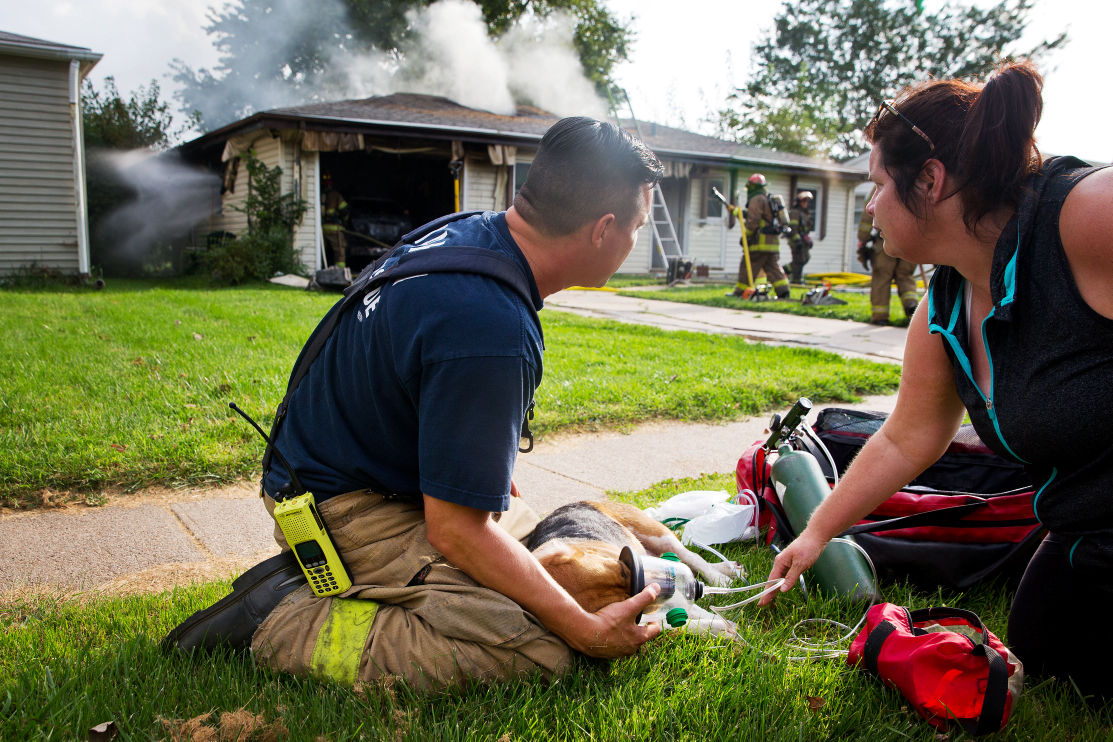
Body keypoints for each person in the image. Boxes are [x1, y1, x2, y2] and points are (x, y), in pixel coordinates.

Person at [171, 117, 666, 691]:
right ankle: (281, 618)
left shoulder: (473, 235)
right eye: (638, 225)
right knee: (538, 646)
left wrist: (479, 472)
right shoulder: (490, 325)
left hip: (378, 477)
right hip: (345, 506)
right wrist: (581, 629)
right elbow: (455, 532)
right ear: (603, 229)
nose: (636, 240)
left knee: (538, 559)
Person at [761, 61, 1113, 698]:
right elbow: (906, 438)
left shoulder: (1085, 214)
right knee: (1047, 661)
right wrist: (817, 532)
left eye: (876, 186)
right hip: (1082, 526)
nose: (869, 206)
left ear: (930, 179)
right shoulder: (943, 308)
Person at [857, 189, 919, 324]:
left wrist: (863, 238)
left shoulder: (883, 183)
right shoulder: (915, 183)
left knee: (882, 278)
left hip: (885, 241)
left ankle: (880, 317)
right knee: (905, 276)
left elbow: (868, 215)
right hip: (909, 241)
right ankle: (911, 306)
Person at [727, 174, 791, 299]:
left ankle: (740, 292)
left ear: (752, 187)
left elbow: (753, 222)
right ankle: (783, 292)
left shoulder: (756, 199)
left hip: (759, 243)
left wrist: (746, 236)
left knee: (747, 266)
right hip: (772, 243)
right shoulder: (768, 199)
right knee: (773, 268)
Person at [784, 190, 815, 284]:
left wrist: (808, 240)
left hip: (803, 240)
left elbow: (806, 228)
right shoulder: (795, 212)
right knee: (799, 260)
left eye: (807, 201)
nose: (805, 203)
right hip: (796, 240)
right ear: (799, 202)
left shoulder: (805, 213)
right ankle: (795, 280)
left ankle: (786, 270)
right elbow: (793, 228)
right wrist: (797, 241)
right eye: (804, 201)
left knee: (805, 258)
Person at [321, 172, 349, 268]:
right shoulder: (336, 195)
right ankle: (340, 271)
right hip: (334, 228)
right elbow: (345, 210)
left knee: (323, 251)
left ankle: (323, 267)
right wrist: (345, 222)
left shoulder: (320, 195)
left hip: (322, 229)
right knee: (340, 250)